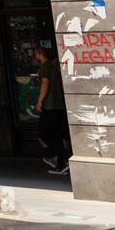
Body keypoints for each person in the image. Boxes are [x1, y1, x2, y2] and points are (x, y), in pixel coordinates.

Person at [35, 46, 70, 175]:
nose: (35, 56)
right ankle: (61, 161)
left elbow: (45, 83)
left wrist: (39, 101)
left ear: (40, 54)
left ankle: (59, 158)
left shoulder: (45, 67)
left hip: (50, 106)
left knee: (44, 132)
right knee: (59, 134)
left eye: (36, 53)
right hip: (59, 105)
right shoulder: (54, 67)